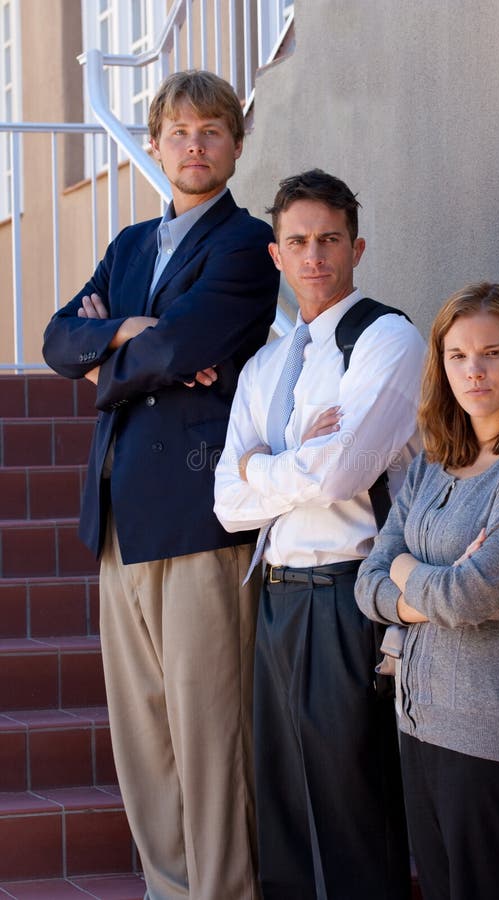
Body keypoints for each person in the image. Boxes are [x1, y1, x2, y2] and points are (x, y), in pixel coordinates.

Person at [42, 70, 279, 900]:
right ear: (153, 143)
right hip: (117, 519)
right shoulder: (130, 245)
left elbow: (180, 349)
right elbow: (57, 340)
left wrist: (115, 361)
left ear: (236, 146)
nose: (193, 145)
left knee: (210, 737)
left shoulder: (248, 246)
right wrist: (120, 334)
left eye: (211, 131)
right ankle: (168, 890)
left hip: (196, 517)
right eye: (178, 131)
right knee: (143, 735)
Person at [214, 168, 425, 900]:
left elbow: (340, 472)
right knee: (285, 808)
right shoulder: (268, 366)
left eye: (329, 239)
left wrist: (262, 463)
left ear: (356, 247)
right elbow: (224, 501)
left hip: (350, 595)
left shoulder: (386, 338)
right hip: (274, 600)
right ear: (276, 254)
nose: (313, 256)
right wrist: (288, 457)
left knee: (352, 805)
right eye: (297, 241)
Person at [355, 281, 499, 900]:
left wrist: (407, 572)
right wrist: (418, 582)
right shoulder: (432, 460)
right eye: (457, 356)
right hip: (420, 722)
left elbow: (463, 599)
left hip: (494, 731)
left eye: (492, 353)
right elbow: (367, 582)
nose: (473, 371)